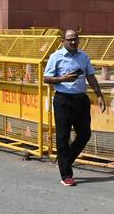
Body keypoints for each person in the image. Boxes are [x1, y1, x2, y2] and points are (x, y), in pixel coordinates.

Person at [42, 29, 105, 187]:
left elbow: (90, 76)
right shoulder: (55, 57)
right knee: (63, 137)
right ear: (62, 40)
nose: (73, 42)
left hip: (80, 99)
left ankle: (65, 160)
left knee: (85, 134)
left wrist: (99, 95)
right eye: (69, 40)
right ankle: (66, 174)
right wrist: (63, 78)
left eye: (75, 39)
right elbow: (46, 78)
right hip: (63, 99)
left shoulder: (83, 57)